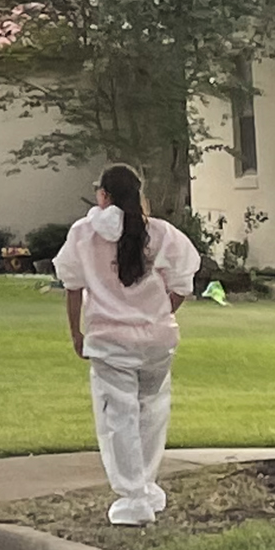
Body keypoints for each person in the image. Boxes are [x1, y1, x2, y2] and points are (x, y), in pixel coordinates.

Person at [52, 163, 201, 526]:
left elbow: (72, 286)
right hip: (156, 341)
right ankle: (146, 486)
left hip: (109, 341)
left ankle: (132, 497)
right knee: (152, 413)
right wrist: (161, 312)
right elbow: (182, 283)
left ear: (103, 195)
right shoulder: (161, 234)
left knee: (118, 418)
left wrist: (76, 332)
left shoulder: (84, 233)